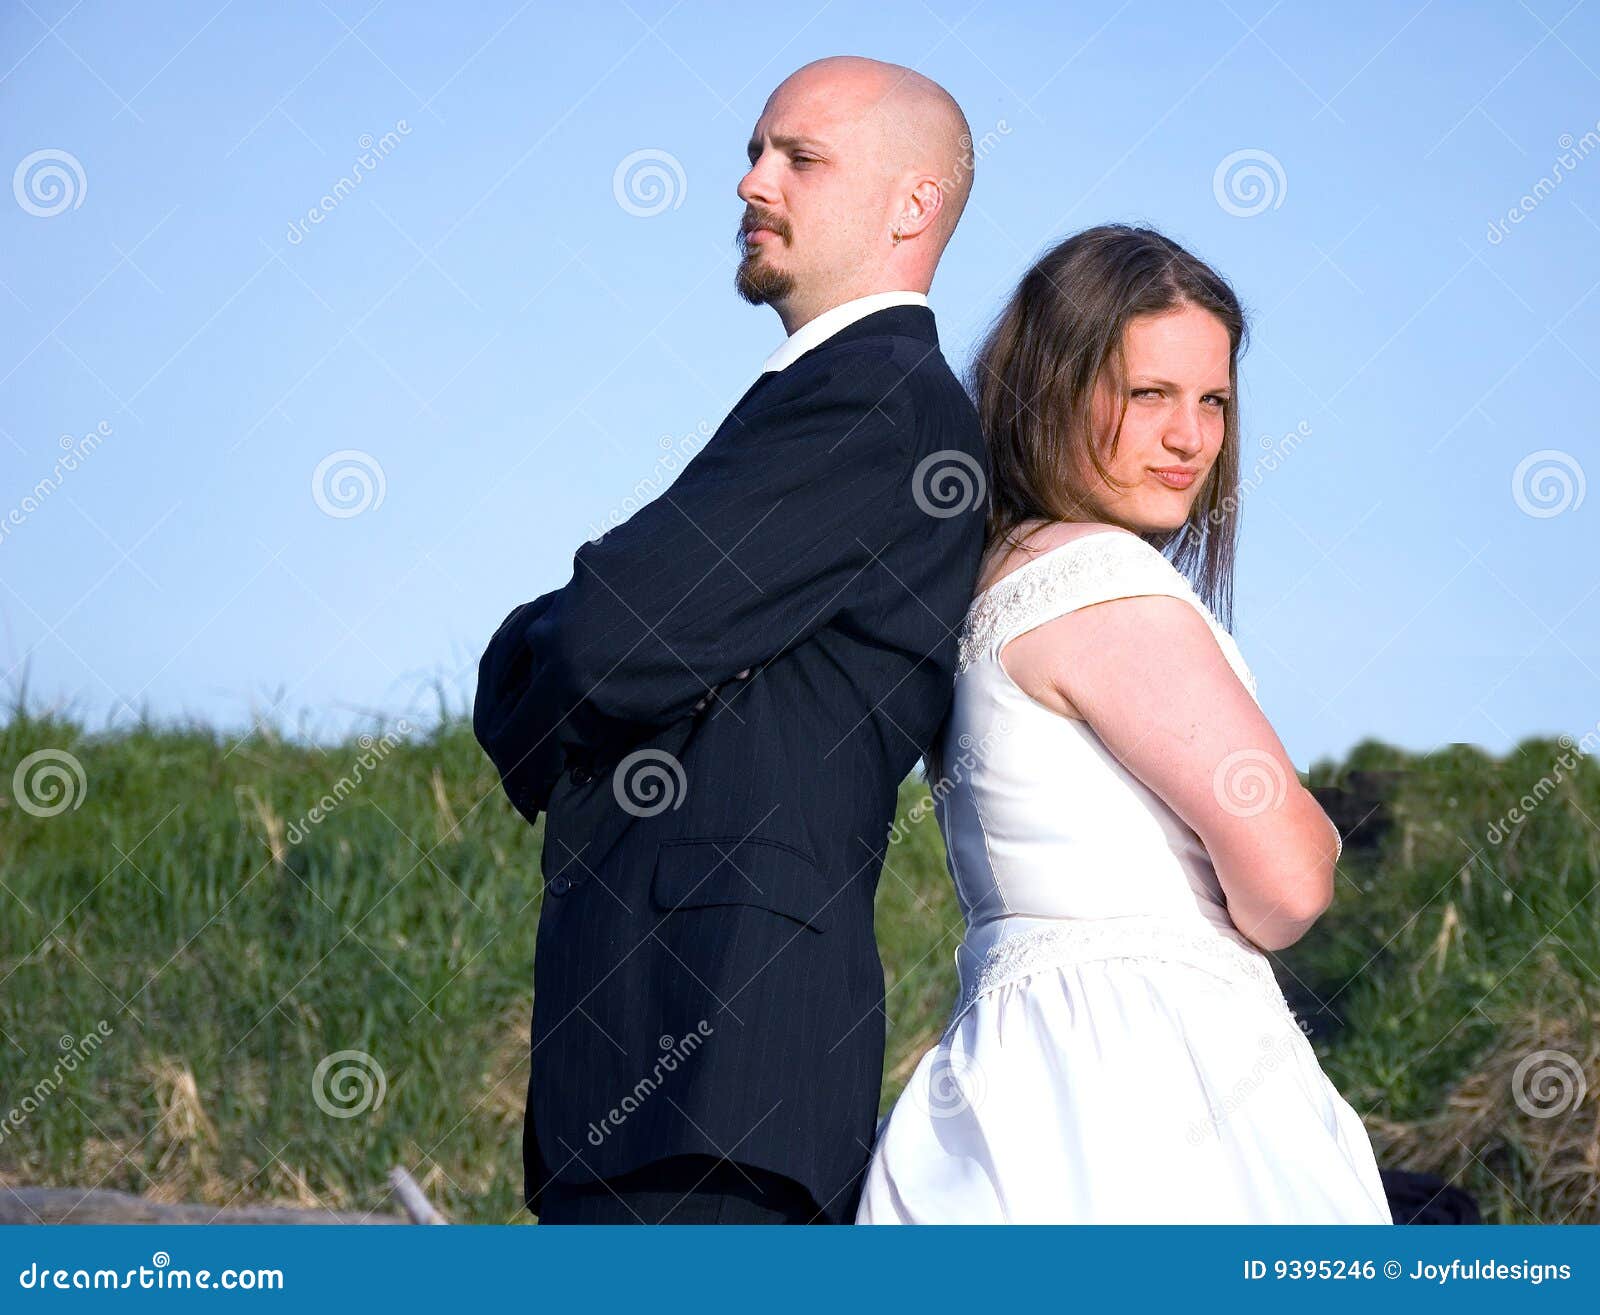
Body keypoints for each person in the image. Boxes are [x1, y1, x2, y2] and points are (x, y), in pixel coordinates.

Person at [473, 55, 987, 1223]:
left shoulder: (874, 398)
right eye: (757, 152)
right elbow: (637, 625)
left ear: (912, 203)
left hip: (713, 1073)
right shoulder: (839, 395)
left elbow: (610, 633)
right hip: (680, 1078)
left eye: (801, 158)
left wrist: (526, 651)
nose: (753, 182)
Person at [855, 225, 1393, 1224]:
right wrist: (1310, 830)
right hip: (1148, 1067)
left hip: (1028, 1070)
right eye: (1149, 394)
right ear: (1053, 389)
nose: (1190, 438)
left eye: (1213, 400)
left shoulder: (990, 577)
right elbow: (1289, 882)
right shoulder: (1098, 578)